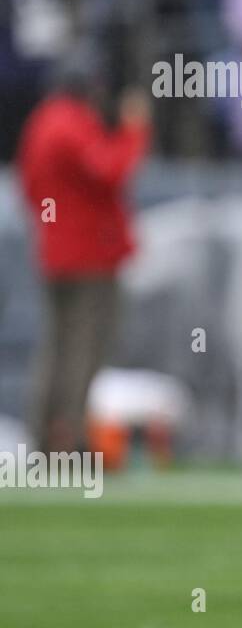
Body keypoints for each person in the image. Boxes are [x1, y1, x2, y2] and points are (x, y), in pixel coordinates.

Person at [17, 49, 152, 453]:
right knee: (84, 347)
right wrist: (134, 129)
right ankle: (69, 437)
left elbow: (28, 187)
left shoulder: (42, 121)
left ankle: (44, 433)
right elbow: (111, 168)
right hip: (88, 256)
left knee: (56, 347)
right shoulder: (70, 122)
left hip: (56, 252)